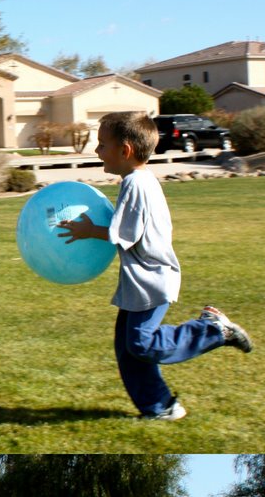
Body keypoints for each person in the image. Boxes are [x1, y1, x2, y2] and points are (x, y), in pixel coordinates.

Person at [57, 111, 252, 421]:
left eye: (102, 144)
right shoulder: (139, 181)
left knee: (141, 343)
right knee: (127, 347)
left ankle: (213, 331)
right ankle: (159, 407)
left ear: (125, 151)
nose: (97, 151)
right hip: (140, 281)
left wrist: (86, 230)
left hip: (152, 280)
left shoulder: (135, 184)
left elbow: (123, 235)